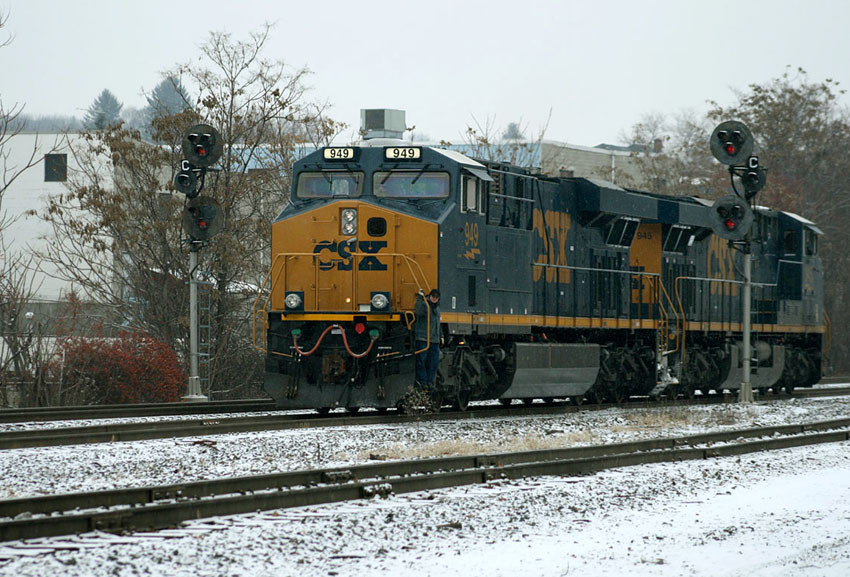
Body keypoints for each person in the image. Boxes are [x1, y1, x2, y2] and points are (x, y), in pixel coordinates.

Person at [414, 288, 441, 388]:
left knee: (434, 361)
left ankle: (430, 381)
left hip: (434, 339)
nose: (434, 298)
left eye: (436, 297)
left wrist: (440, 336)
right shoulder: (424, 305)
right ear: (429, 296)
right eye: (433, 296)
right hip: (423, 338)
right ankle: (423, 381)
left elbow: (438, 323)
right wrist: (420, 298)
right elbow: (418, 311)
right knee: (421, 360)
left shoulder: (437, 308)